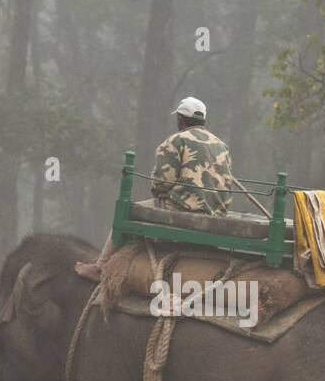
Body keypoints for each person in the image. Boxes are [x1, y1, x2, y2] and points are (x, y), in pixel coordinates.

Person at [75, 96, 236, 281]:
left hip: (182, 210)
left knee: (126, 212)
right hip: (217, 212)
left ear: (180, 119)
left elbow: (160, 185)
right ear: (204, 120)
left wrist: (165, 195)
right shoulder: (222, 146)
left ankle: (100, 267)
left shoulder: (175, 141)